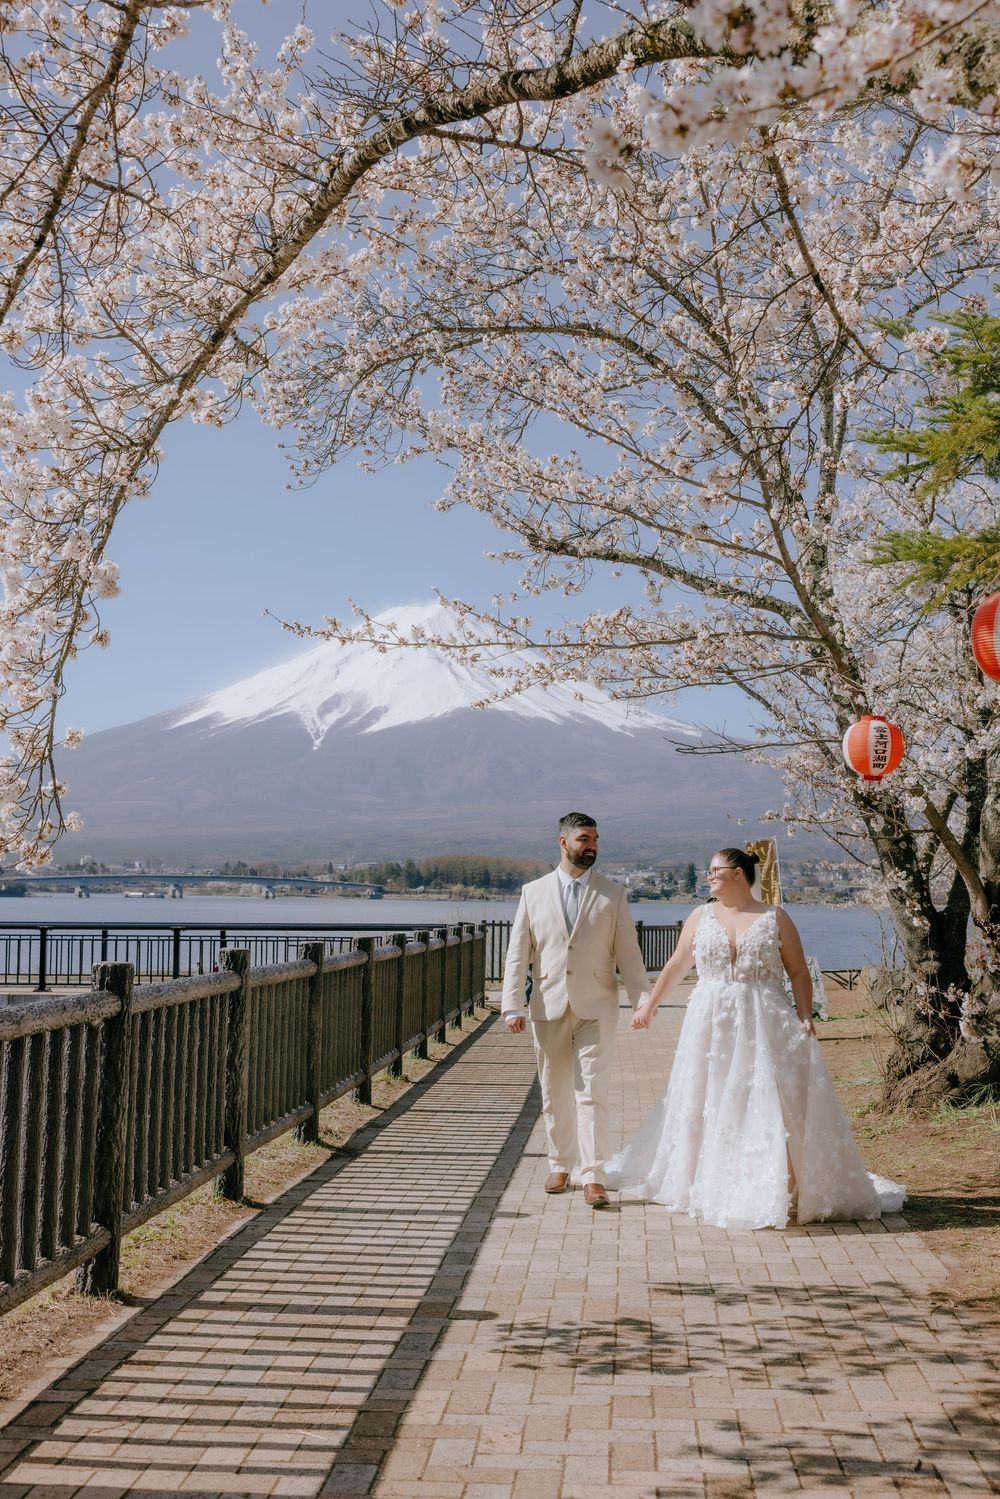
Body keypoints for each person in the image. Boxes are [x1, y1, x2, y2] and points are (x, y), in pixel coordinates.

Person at [606, 847, 905, 1229]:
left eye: (716, 870)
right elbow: (678, 963)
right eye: (709, 870)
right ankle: (706, 1181)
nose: (709, 876)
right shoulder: (699, 916)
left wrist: (804, 1015)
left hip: (766, 1019)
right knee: (707, 1096)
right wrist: (649, 1006)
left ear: (739, 874)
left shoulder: (774, 917)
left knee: (766, 1098)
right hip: (710, 1020)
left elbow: (798, 972)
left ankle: (779, 1185)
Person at [501, 812, 651, 1208]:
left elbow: (630, 955)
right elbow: (518, 954)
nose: (592, 846)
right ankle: (560, 1164)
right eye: (584, 839)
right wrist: (511, 1004)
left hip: (596, 1006)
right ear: (563, 842)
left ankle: (593, 1174)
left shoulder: (613, 894)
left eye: (596, 839)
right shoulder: (532, 892)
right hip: (546, 1006)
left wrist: (643, 1001)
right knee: (553, 1093)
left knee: (592, 1092)